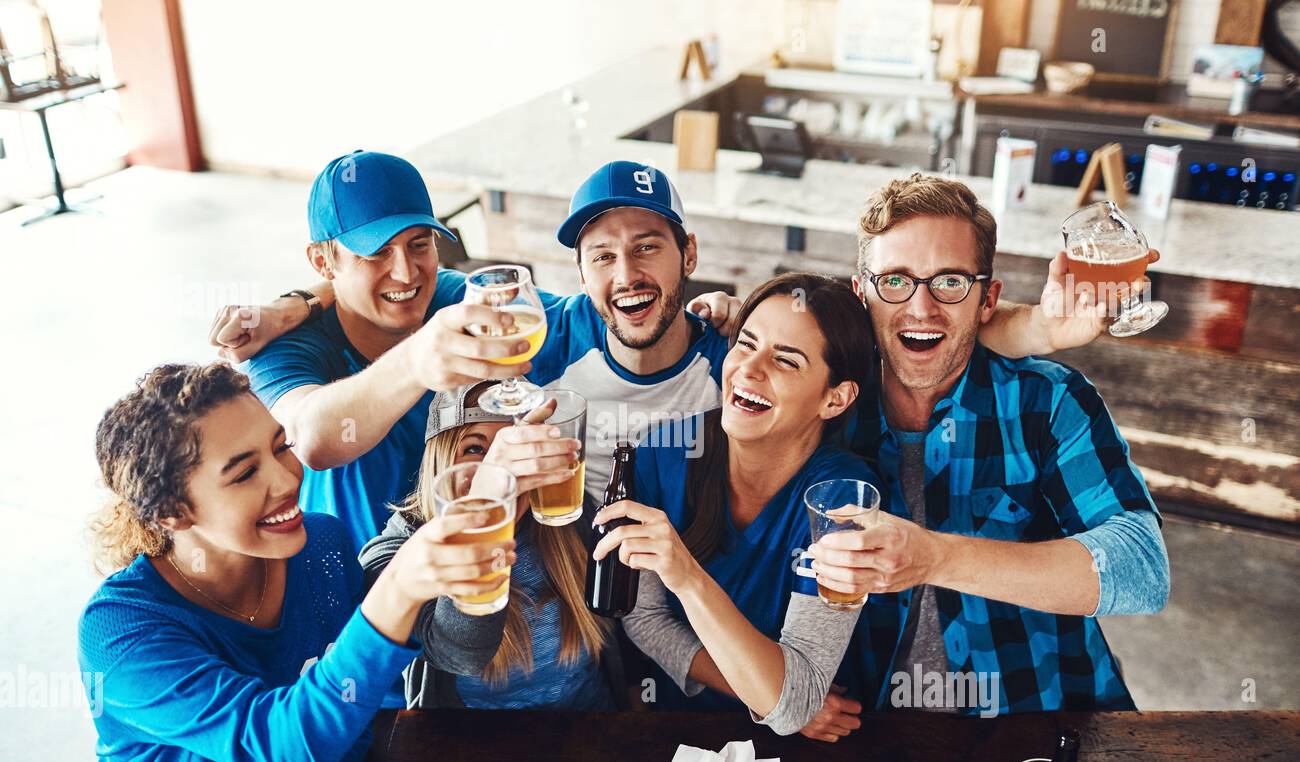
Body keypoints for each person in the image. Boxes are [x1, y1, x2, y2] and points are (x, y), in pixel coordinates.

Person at [217, 160, 1109, 507]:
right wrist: (295, 305)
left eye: (648, 248)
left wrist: (1028, 325)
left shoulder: (739, 355)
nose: (626, 274)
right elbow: (316, 437)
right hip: (422, 579)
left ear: (690, 252)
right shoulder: (543, 338)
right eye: (600, 256)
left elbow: (889, 332)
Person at [67, 363, 512, 762]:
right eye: (244, 473)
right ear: (172, 512)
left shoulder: (322, 547)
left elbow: (345, 719)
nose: (287, 478)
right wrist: (399, 588)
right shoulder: (120, 631)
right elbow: (285, 740)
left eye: (280, 447)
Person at [813, 172, 1170, 715]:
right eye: (895, 281)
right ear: (863, 294)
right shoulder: (824, 402)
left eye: (951, 282)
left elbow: (1142, 571)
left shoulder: (1049, 402)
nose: (922, 309)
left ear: (988, 300)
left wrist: (935, 557)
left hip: (1038, 719)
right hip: (865, 729)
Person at [592, 273, 880, 739]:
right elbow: (644, 619)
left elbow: (793, 705)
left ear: (835, 398)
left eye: (785, 360)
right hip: (678, 736)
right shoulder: (663, 452)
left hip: (806, 756)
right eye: (746, 343)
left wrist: (686, 575)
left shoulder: (843, 502)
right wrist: (768, 694)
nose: (749, 369)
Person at [358, 382, 621, 710]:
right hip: (472, 747)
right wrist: (486, 505)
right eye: (475, 449)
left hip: (589, 728)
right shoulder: (398, 553)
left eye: (510, 448)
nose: (504, 468)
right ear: (441, 460)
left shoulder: (565, 514)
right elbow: (461, 654)